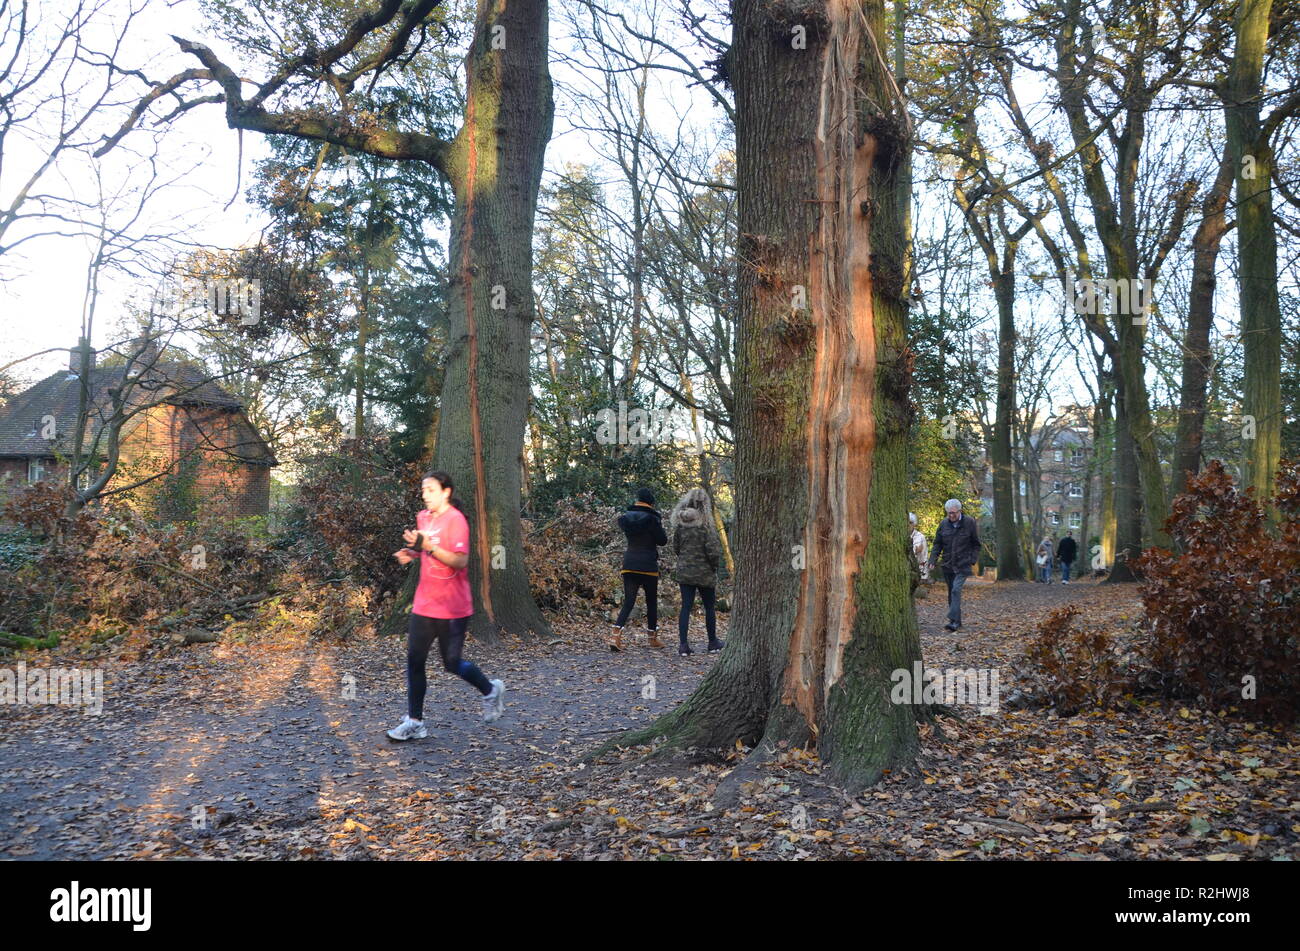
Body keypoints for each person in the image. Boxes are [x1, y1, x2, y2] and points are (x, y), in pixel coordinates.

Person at [386, 471, 505, 741]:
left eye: (430, 489)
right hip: (425, 603)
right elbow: (425, 549)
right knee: (415, 661)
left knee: (451, 663)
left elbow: (460, 561)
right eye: (423, 490)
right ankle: (415, 721)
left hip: (452, 606)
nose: (424, 494)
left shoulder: (456, 520)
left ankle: (490, 690)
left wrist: (427, 547)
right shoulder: (423, 518)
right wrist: (411, 552)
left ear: (445, 492)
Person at [609, 487, 668, 651]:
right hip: (648, 564)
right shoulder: (652, 519)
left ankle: (615, 635)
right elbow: (663, 540)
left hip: (629, 562)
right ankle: (652, 638)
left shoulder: (626, 518)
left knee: (629, 601)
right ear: (651, 502)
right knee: (651, 602)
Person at [671, 488, 725, 656]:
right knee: (709, 607)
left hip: (685, 572)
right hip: (704, 573)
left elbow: (676, 548)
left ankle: (683, 645)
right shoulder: (706, 526)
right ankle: (712, 642)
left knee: (685, 607)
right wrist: (714, 566)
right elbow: (713, 551)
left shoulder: (680, 525)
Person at [928, 499, 980, 632]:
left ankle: (953, 619)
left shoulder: (969, 523)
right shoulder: (944, 524)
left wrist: (972, 560)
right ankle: (956, 621)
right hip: (947, 564)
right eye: (949, 513)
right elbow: (937, 544)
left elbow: (976, 544)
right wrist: (932, 560)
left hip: (963, 564)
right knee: (951, 593)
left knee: (956, 590)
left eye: (953, 513)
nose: (951, 516)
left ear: (959, 511)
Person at [909, 512, 929, 582]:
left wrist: (924, 576)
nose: (908, 525)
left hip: (916, 571)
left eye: (910, 522)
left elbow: (924, 557)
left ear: (914, 524)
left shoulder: (920, 537)